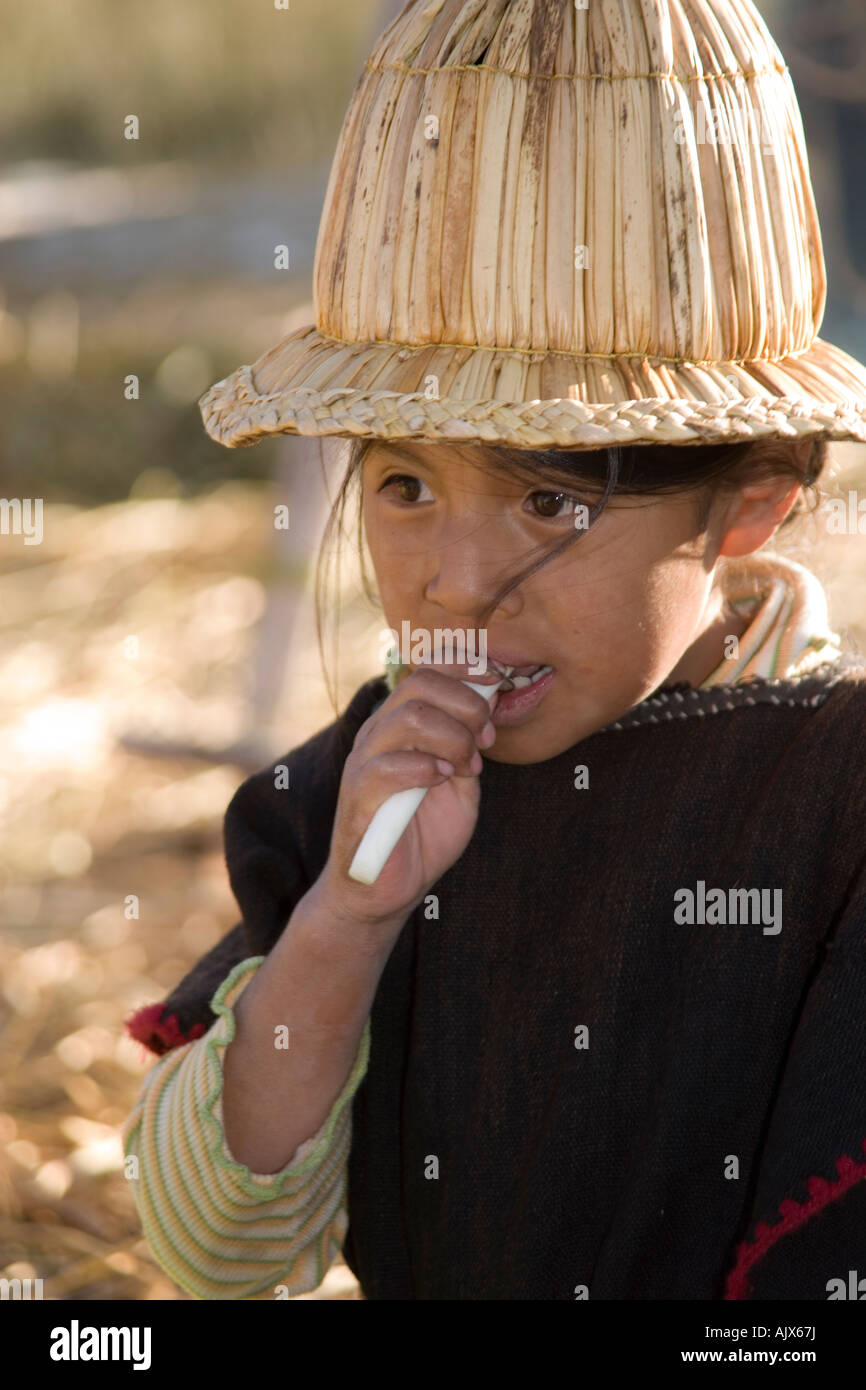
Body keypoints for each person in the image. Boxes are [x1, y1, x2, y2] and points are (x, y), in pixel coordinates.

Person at [123, 0, 866, 1300]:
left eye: (548, 501)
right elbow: (215, 1247)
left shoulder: (835, 806)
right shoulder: (361, 788)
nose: (455, 585)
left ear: (750, 495)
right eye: (403, 483)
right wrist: (346, 923)